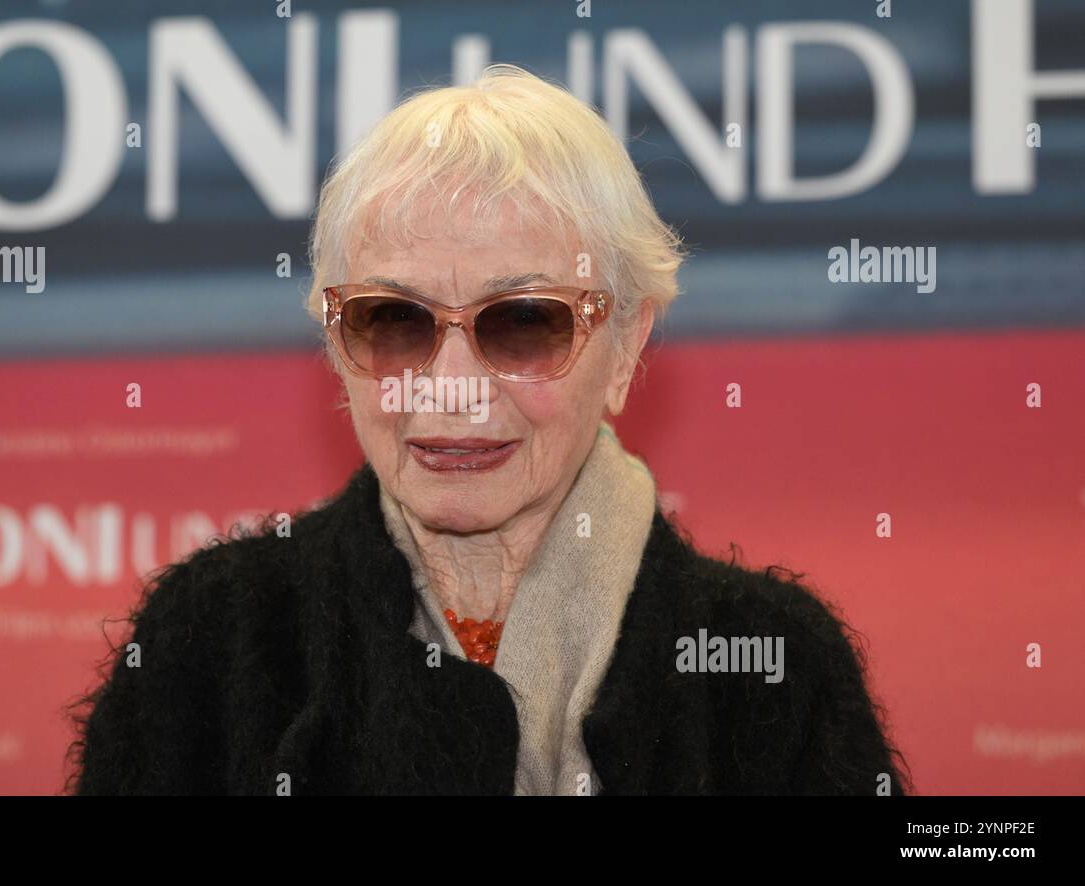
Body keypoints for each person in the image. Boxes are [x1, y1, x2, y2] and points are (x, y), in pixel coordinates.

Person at [68, 64, 909, 796]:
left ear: (624, 346)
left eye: (524, 323)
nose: (455, 387)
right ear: (336, 340)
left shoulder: (771, 663)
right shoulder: (212, 642)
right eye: (393, 321)